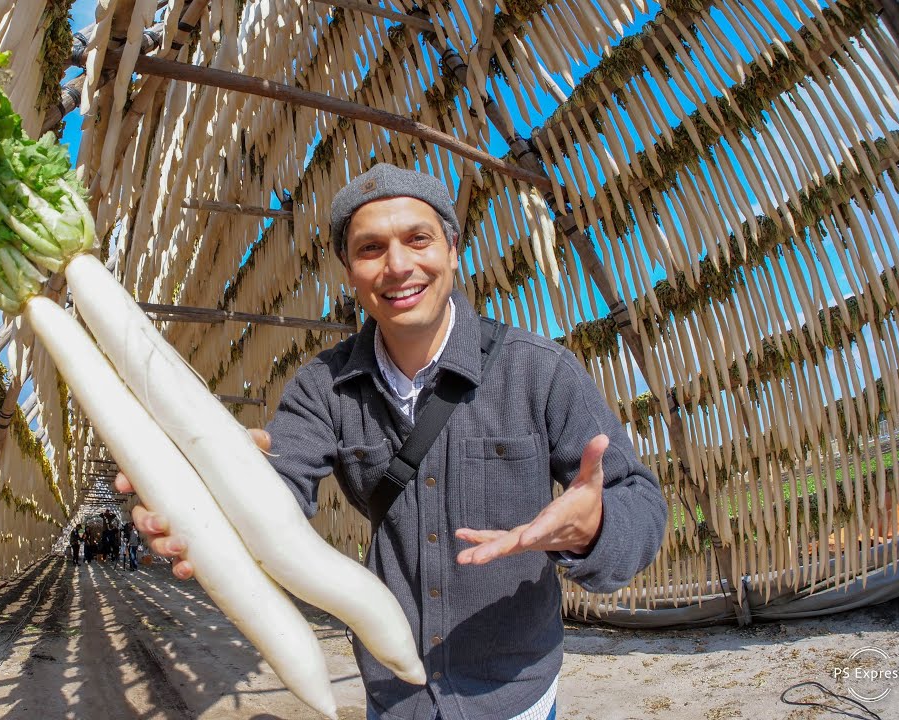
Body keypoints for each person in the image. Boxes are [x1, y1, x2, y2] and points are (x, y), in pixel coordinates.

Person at [118, 163, 668, 720]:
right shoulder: (322, 389)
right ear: (349, 272)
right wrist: (210, 481)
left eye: (418, 239)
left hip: (516, 695)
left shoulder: (539, 371)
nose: (399, 265)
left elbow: (640, 503)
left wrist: (593, 529)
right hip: (396, 698)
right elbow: (279, 489)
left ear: (453, 249)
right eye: (371, 249)